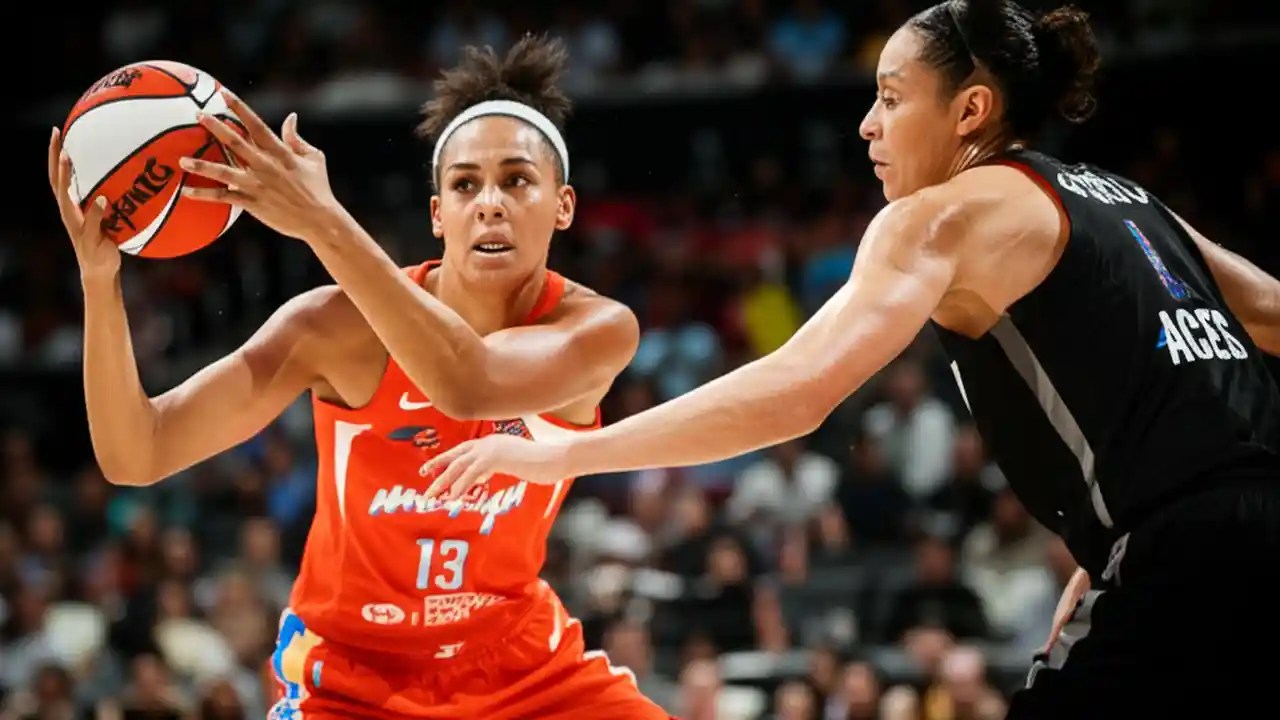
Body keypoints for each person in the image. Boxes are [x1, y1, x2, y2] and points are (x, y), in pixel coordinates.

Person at [423, 2, 1280, 716]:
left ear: (969, 111)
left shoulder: (939, 216)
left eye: (891, 98)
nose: (868, 124)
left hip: (1188, 562)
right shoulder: (1129, 200)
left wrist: (566, 451)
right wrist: (1126, 544)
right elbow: (1272, 315)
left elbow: (796, 391)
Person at [48, 36, 671, 720]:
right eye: (464, 184)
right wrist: (100, 284)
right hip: (352, 678)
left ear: (563, 206)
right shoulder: (333, 330)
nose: (489, 203)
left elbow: (470, 382)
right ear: (439, 215)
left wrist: (322, 221)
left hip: (521, 668)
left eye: (517, 180)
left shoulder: (597, 329)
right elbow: (136, 452)